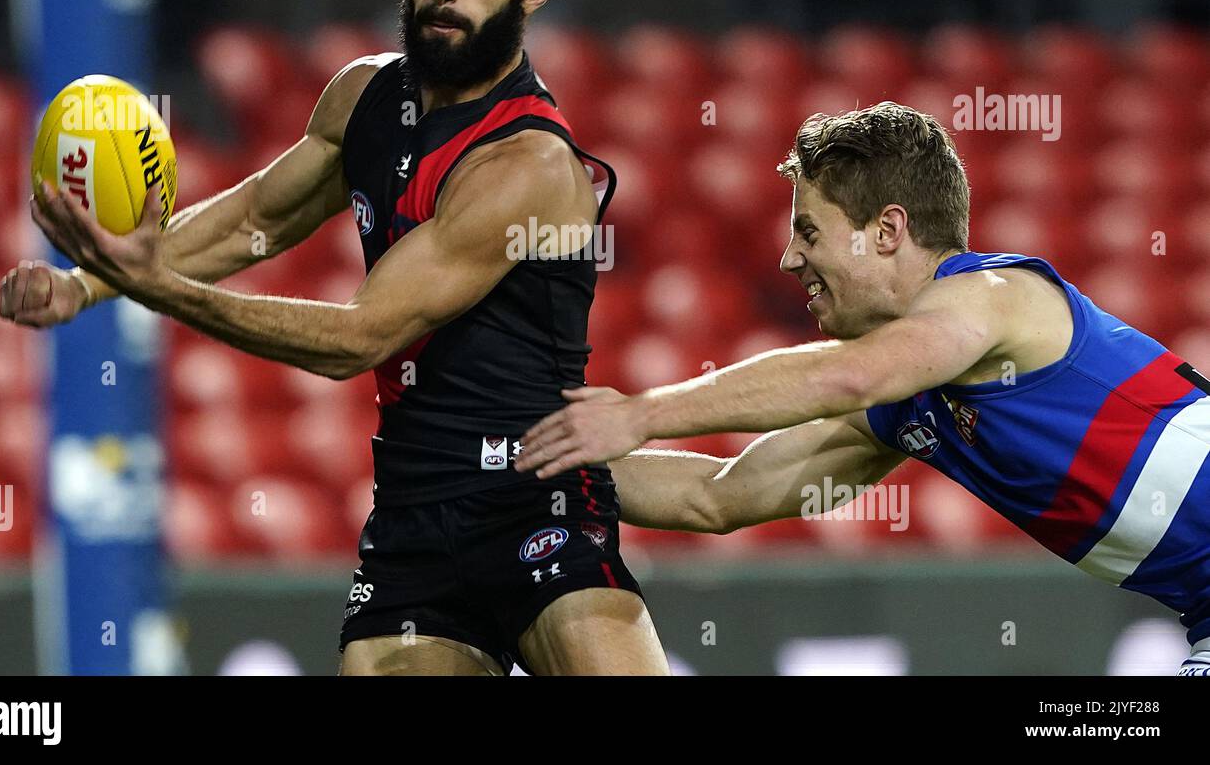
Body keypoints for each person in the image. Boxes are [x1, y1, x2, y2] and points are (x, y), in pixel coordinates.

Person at [3, 0, 668, 676]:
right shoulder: (364, 98)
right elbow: (254, 220)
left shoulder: (527, 164)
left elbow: (358, 338)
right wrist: (87, 284)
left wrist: (156, 287)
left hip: (538, 501)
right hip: (413, 519)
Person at [514, 101, 1210, 675]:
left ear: (887, 230)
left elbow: (847, 374)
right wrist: (526, 458)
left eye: (809, 231)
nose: (789, 259)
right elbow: (718, 495)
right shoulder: (904, 404)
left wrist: (642, 414)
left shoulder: (995, 295)